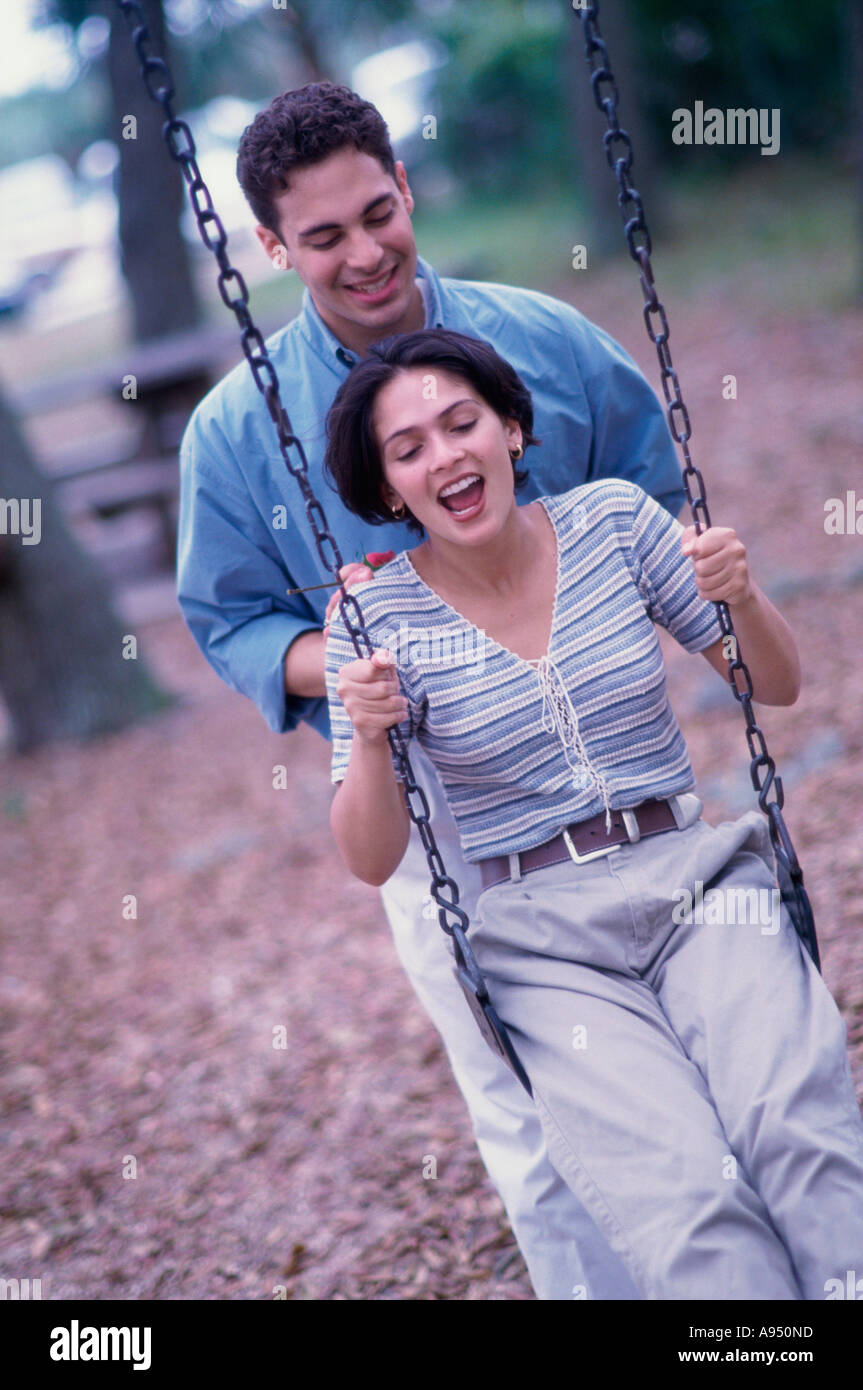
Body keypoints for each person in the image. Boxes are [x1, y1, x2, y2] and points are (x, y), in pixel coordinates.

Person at [178, 80, 690, 1299]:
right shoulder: (235, 433)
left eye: (377, 213)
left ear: (406, 190)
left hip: (608, 758)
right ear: (268, 249)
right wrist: (346, 670)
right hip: (434, 813)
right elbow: (230, 620)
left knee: (693, 1060)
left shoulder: (546, 342)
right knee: (531, 1110)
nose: (364, 254)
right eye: (322, 236)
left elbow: (650, 489)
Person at [322, 326, 863, 1300]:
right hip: (542, 941)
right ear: (388, 486)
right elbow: (368, 857)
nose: (444, 455)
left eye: (460, 423)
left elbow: (771, 682)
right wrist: (366, 736)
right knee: (685, 1200)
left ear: (511, 428)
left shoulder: (614, 522)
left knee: (796, 1127)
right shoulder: (371, 623)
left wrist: (740, 597)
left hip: (696, 884)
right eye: (408, 449)